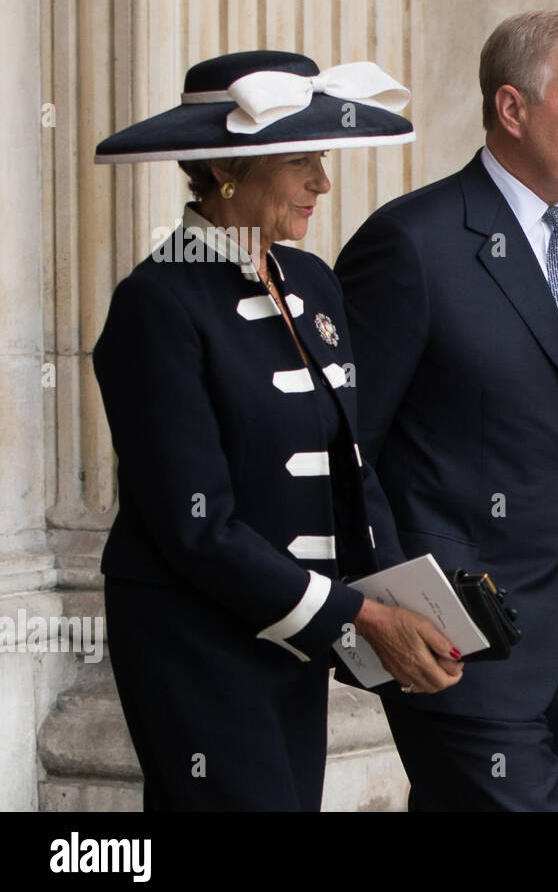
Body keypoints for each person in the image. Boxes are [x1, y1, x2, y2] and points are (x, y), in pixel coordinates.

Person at [92, 50, 462, 810]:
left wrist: (410, 603)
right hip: (193, 646)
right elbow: (195, 528)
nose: (322, 182)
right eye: (301, 159)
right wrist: (360, 615)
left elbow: (350, 471)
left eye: (321, 156)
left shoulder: (313, 282)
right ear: (228, 170)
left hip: (294, 639)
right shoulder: (156, 304)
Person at [334, 10, 558, 812]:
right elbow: (347, 446)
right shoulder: (410, 243)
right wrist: (385, 609)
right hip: (455, 641)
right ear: (513, 110)